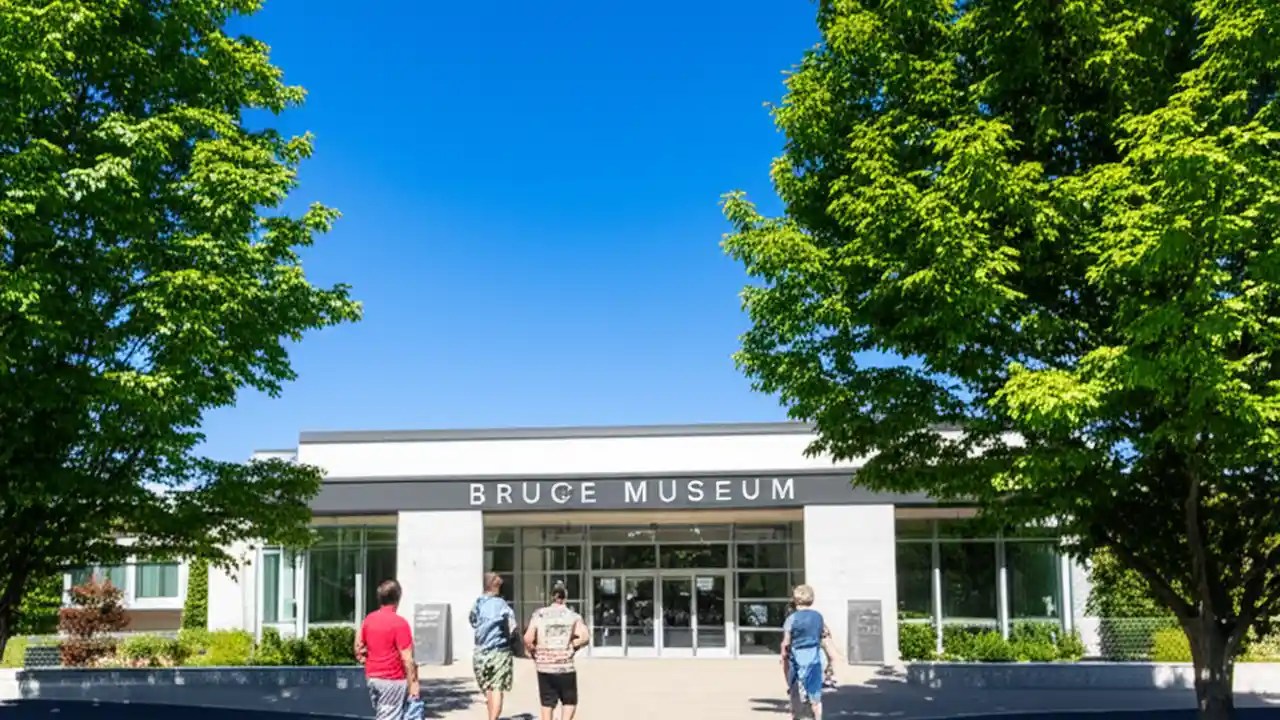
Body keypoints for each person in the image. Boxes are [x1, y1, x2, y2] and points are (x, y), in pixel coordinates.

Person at [523, 582, 589, 720]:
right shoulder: (573, 616)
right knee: (569, 700)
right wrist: (572, 646)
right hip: (565, 666)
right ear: (565, 597)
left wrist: (535, 652)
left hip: (545, 666)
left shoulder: (539, 614)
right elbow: (585, 637)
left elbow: (528, 638)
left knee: (547, 701)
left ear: (551, 596)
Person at [354, 579, 418, 720]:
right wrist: (413, 684)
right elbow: (407, 658)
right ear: (398, 598)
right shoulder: (400, 624)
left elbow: (358, 647)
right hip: (392, 680)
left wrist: (367, 661)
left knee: (382, 713)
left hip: (372, 678)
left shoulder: (368, 620)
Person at [781, 584, 837, 720]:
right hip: (813, 660)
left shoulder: (791, 619)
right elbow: (825, 635)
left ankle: (794, 710)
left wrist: (783, 656)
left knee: (794, 696)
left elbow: (786, 643)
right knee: (815, 698)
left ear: (795, 599)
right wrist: (831, 662)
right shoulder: (818, 617)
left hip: (796, 660)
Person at [470, 572, 516, 720]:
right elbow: (512, 626)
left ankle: (491, 717)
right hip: (499, 651)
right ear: (495, 586)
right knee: (496, 688)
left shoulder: (478, 603)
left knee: (488, 688)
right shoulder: (502, 605)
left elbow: (473, 621)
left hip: (480, 652)